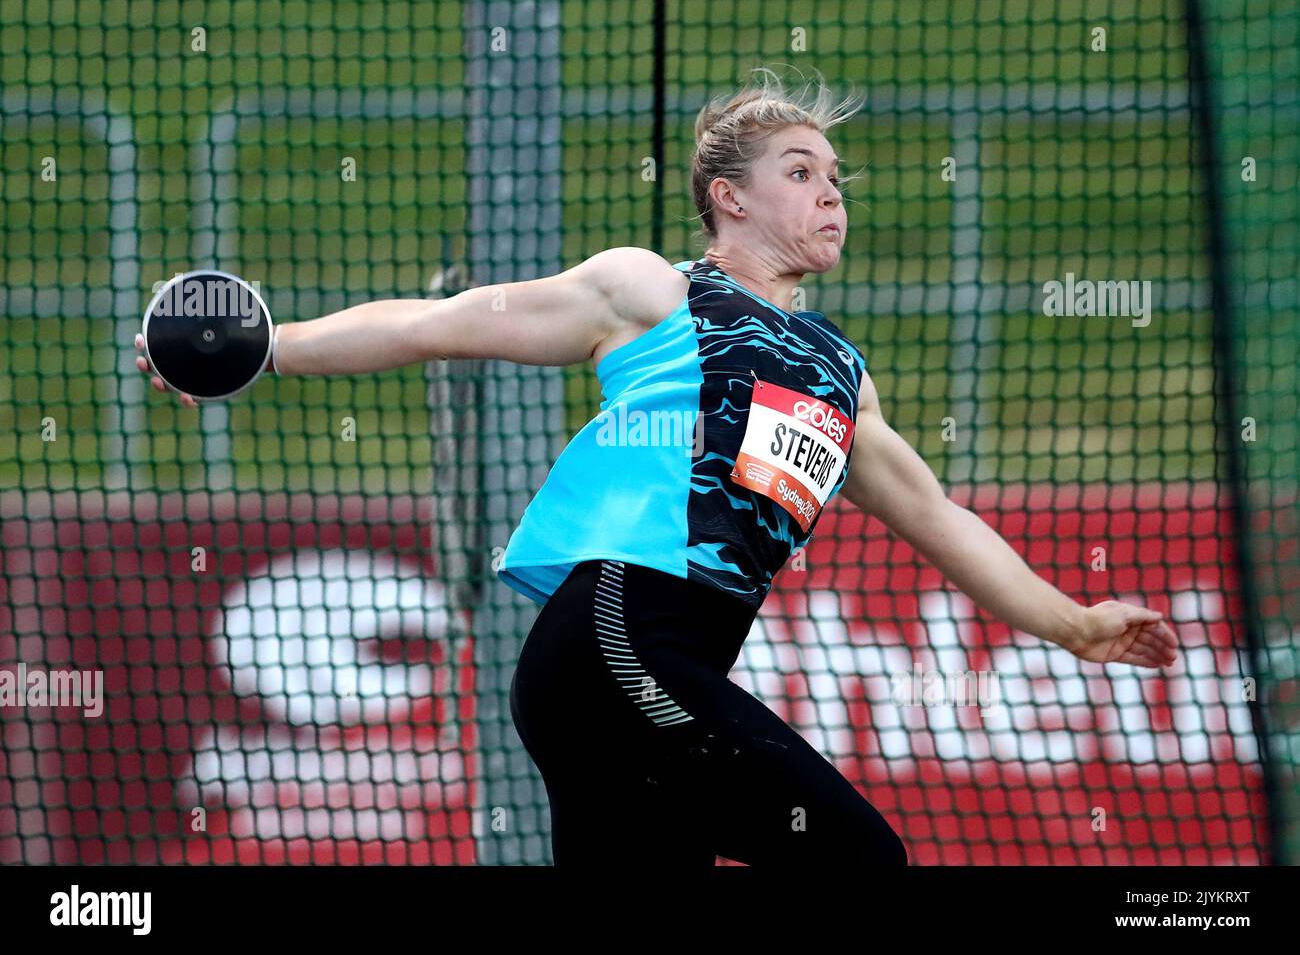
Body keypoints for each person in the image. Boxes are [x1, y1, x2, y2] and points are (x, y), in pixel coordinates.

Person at [135, 67, 1179, 866]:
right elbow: (435, 325)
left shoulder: (839, 376)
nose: (832, 196)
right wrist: (268, 344)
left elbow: (940, 518)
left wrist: (1075, 623)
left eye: (836, 179)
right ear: (728, 196)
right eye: (802, 172)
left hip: (644, 673)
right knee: (860, 854)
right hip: (615, 642)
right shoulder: (648, 291)